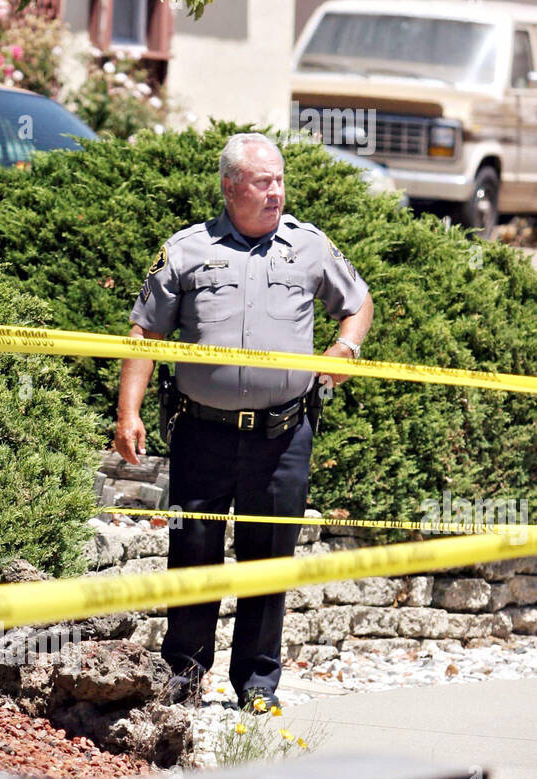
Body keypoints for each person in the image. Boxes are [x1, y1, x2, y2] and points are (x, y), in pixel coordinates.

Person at [114, 131, 374, 712]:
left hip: (282, 436)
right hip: (202, 433)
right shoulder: (186, 250)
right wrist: (127, 411)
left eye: (280, 180)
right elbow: (146, 333)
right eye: (263, 182)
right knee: (193, 550)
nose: (276, 192)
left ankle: (257, 685)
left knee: (269, 554)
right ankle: (182, 677)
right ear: (231, 188)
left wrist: (345, 351)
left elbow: (357, 302)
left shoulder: (309, 247)